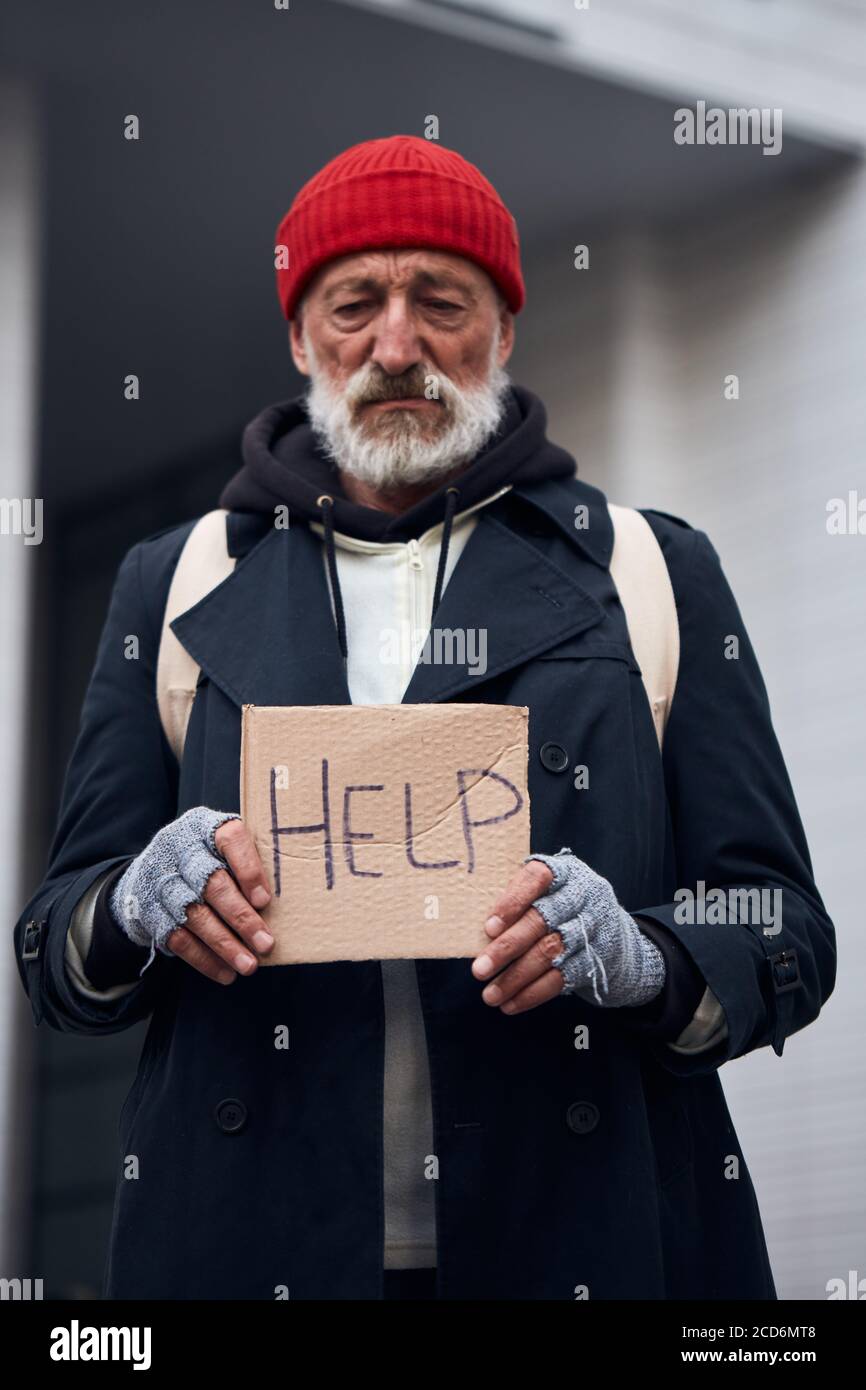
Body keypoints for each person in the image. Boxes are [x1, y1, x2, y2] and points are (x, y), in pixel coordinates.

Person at [15, 134, 835, 1301]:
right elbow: (53, 941)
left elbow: (786, 932)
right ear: (300, 338)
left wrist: (638, 958)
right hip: (246, 1250)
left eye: (438, 300)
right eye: (354, 303)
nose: (395, 345)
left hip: (584, 1243)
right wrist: (132, 904)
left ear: (502, 329)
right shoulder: (177, 579)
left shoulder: (653, 570)